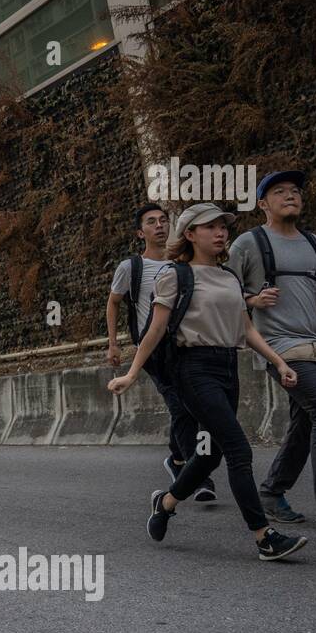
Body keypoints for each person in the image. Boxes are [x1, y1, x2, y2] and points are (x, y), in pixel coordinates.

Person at [107, 203, 308, 561]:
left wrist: (279, 361)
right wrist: (132, 372)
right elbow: (154, 330)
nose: (220, 233)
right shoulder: (175, 275)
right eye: (210, 227)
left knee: (208, 454)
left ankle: (165, 502)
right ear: (189, 234)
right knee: (238, 449)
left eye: (223, 227)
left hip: (227, 367)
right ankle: (265, 538)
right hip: (193, 370)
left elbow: (246, 329)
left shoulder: (230, 276)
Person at [228, 171, 316, 530]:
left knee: (305, 423)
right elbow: (221, 292)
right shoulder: (248, 243)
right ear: (262, 204)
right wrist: (253, 298)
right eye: (280, 192)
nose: (290, 195)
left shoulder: (313, 242)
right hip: (279, 349)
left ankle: (272, 493)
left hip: (315, 347)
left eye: (295, 191)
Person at [106, 203, 216, 501]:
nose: (159, 225)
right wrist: (113, 343)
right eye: (151, 222)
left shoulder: (183, 262)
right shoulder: (131, 267)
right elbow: (114, 302)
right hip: (153, 351)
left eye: (163, 220)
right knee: (181, 408)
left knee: (192, 407)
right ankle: (199, 475)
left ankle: (176, 459)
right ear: (140, 232)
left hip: (185, 346)